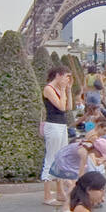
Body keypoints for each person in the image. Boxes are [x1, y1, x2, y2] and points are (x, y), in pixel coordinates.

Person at [42, 66, 73, 204]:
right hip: (53, 125)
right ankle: (47, 195)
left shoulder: (62, 89)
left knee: (61, 158)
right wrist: (61, 89)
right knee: (51, 158)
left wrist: (68, 90)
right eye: (66, 76)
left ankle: (60, 191)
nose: (67, 79)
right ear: (58, 76)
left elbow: (68, 108)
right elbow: (60, 106)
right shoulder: (49, 89)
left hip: (61, 125)